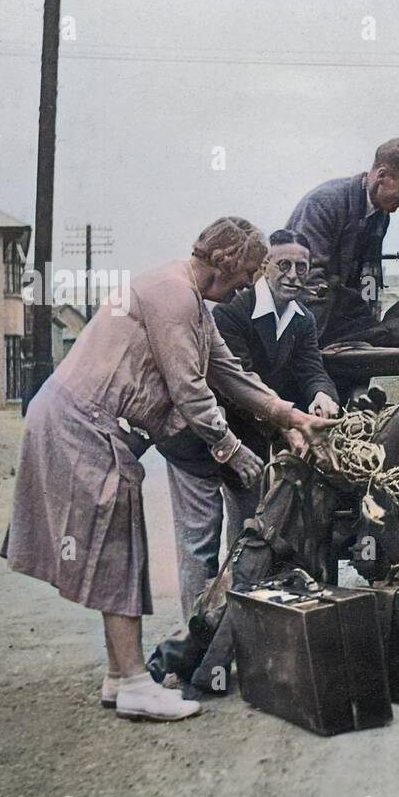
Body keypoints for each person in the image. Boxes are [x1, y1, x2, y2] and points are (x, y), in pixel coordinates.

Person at [3, 217, 338, 721]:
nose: (251, 282)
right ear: (225, 260)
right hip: (82, 423)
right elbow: (189, 390)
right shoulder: (174, 295)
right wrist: (231, 449)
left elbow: (230, 375)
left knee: (118, 545)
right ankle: (137, 683)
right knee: (115, 546)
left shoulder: (194, 305)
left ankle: (121, 675)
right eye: (249, 270)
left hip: (87, 421)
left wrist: (293, 418)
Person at [155, 229, 341, 622]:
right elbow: (239, 388)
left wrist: (322, 395)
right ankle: (196, 645)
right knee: (200, 546)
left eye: (302, 268)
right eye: (284, 265)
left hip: (250, 444)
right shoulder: (230, 313)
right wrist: (287, 427)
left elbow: (312, 369)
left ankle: (237, 634)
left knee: (249, 539)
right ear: (263, 269)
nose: (293, 275)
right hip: (199, 440)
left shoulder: (302, 320)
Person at [285, 138, 399, 346]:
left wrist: (369, 332)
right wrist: (312, 350)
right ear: (382, 176)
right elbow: (306, 280)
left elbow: (369, 277)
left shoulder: (381, 216)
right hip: (301, 317)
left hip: (337, 312)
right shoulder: (323, 203)